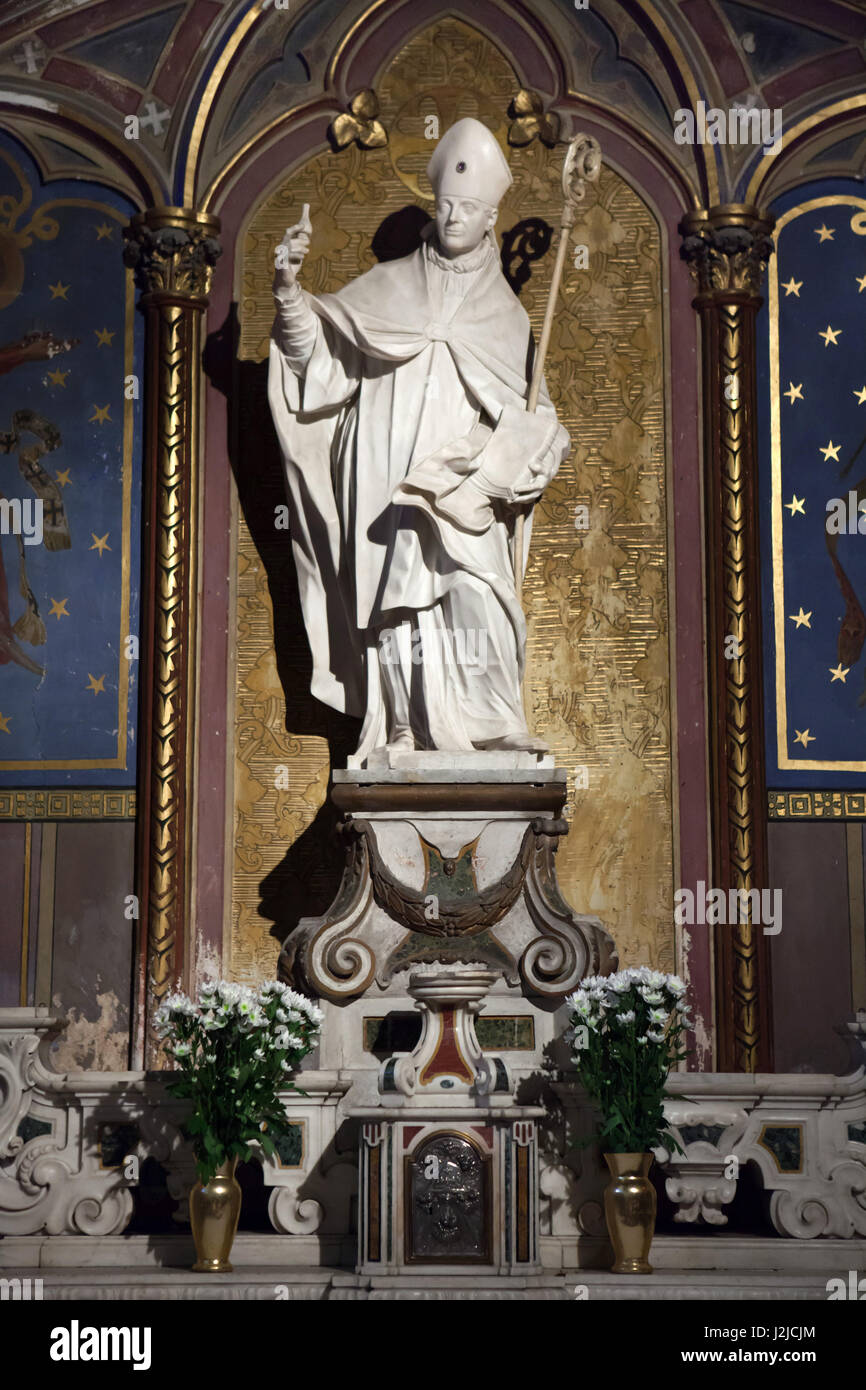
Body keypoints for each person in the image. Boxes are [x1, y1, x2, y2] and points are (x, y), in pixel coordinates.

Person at [268, 117, 570, 765]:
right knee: (397, 606)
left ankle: (490, 724)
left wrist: (533, 445)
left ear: (492, 217)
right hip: (384, 471)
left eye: (469, 209)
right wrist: (291, 295)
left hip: (462, 485)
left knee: (476, 591)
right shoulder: (387, 284)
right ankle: (399, 728)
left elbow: (534, 411)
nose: (455, 217)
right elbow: (318, 366)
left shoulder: (507, 311)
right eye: (446, 206)